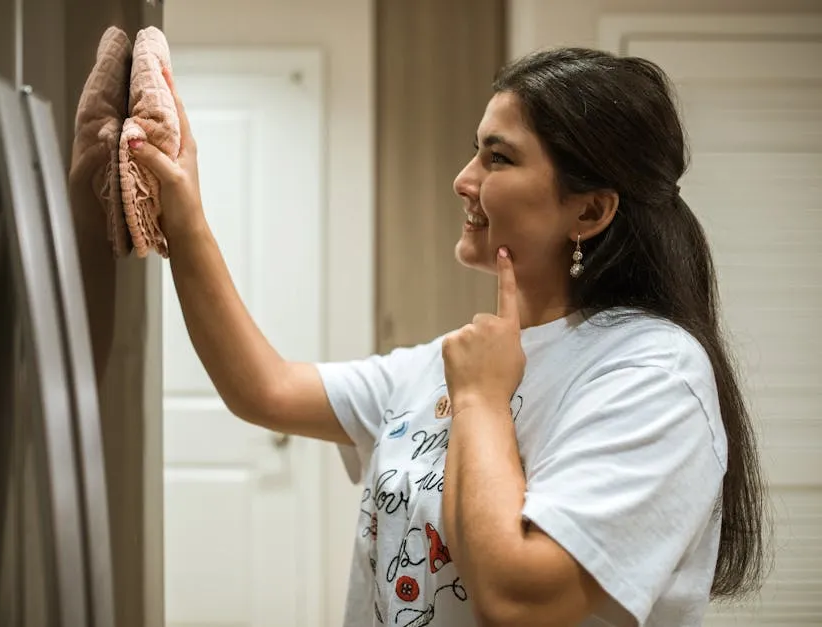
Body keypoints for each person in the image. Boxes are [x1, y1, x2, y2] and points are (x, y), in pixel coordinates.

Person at [128, 47, 767, 627]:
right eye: (476, 151)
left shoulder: (653, 374)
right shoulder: (459, 358)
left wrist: (482, 402)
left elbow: (519, 599)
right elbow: (263, 390)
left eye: (499, 157)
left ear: (591, 210)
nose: (464, 179)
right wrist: (184, 219)